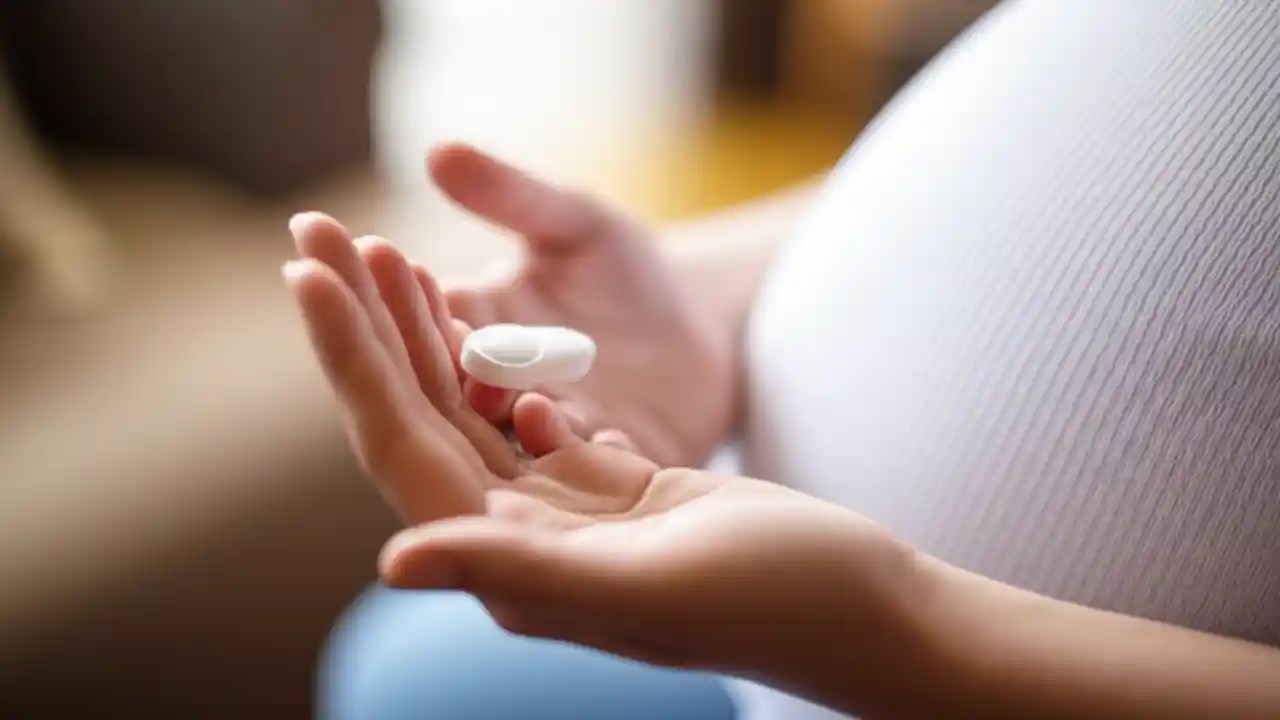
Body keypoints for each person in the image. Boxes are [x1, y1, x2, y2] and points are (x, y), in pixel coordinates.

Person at [294, 1, 1280, 717]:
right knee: (404, 661)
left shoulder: (895, 638)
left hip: (918, 668)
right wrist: (706, 293)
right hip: (774, 574)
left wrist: (910, 637)